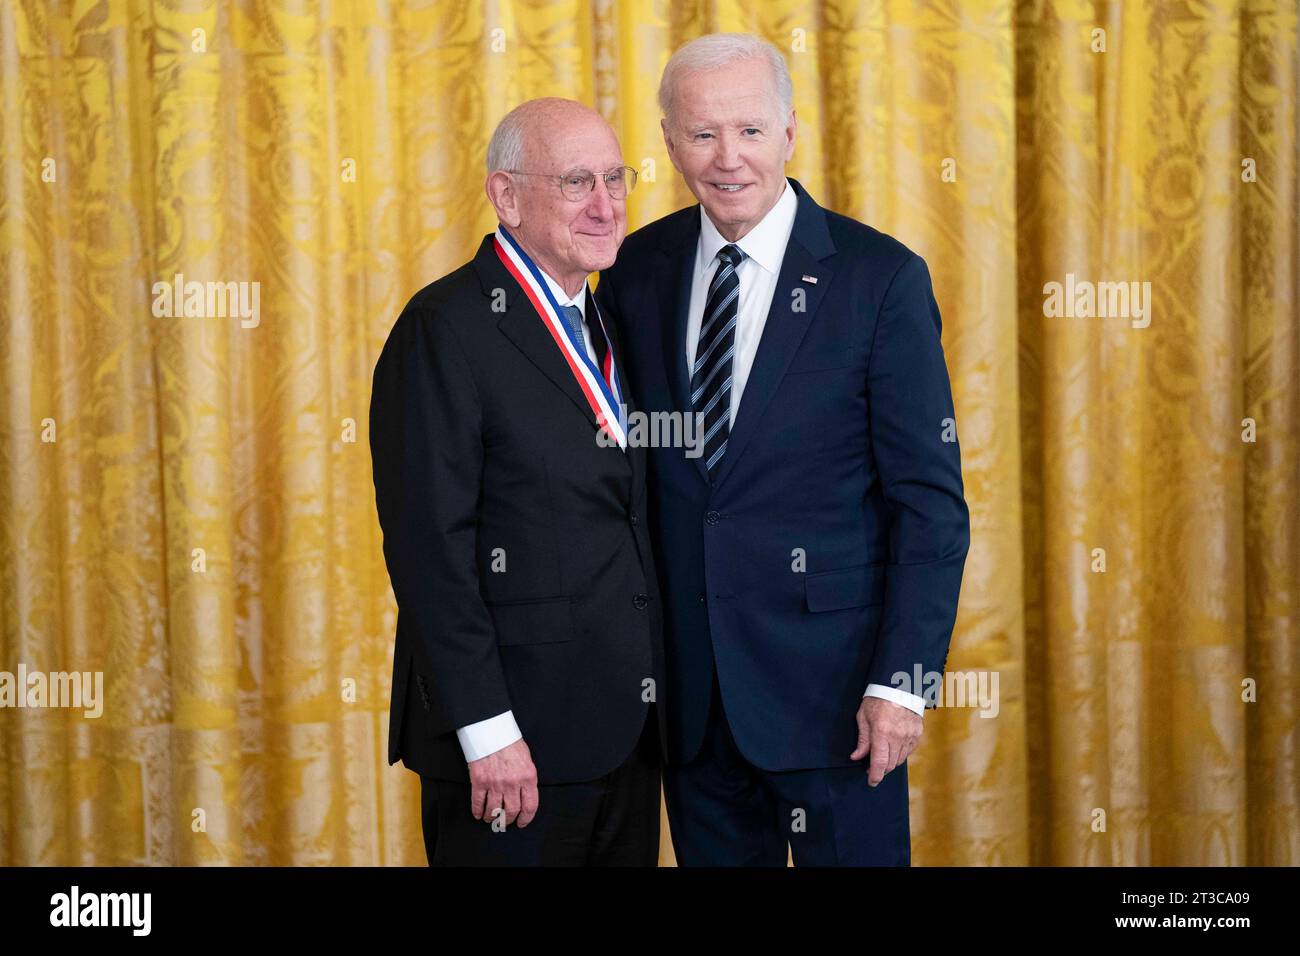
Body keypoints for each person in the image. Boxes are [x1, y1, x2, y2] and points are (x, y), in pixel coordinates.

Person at [596, 34, 970, 866]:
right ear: (668, 142)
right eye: (702, 134)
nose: (728, 158)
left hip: (839, 703)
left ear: (791, 132)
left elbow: (929, 504)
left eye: (751, 131)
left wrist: (901, 683)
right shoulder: (632, 272)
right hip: (692, 706)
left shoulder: (880, 279)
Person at [370, 98, 665, 866]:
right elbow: (429, 548)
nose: (606, 206)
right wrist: (489, 730)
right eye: (576, 183)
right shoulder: (444, 328)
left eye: (614, 178)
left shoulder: (605, 318)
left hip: (626, 736)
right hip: (511, 752)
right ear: (506, 196)